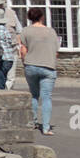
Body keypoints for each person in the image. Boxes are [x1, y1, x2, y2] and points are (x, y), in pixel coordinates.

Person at [19, 7, 59, 136]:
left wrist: (24, 62)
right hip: (48, 66)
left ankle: (33, 122)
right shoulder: (51, 31)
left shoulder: (25, 31)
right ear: (42, 16)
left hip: (31, 65)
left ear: (29, 17)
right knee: (46, 97)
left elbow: (23, 50)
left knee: (34, 95)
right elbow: (56, 51)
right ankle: (46, 127)